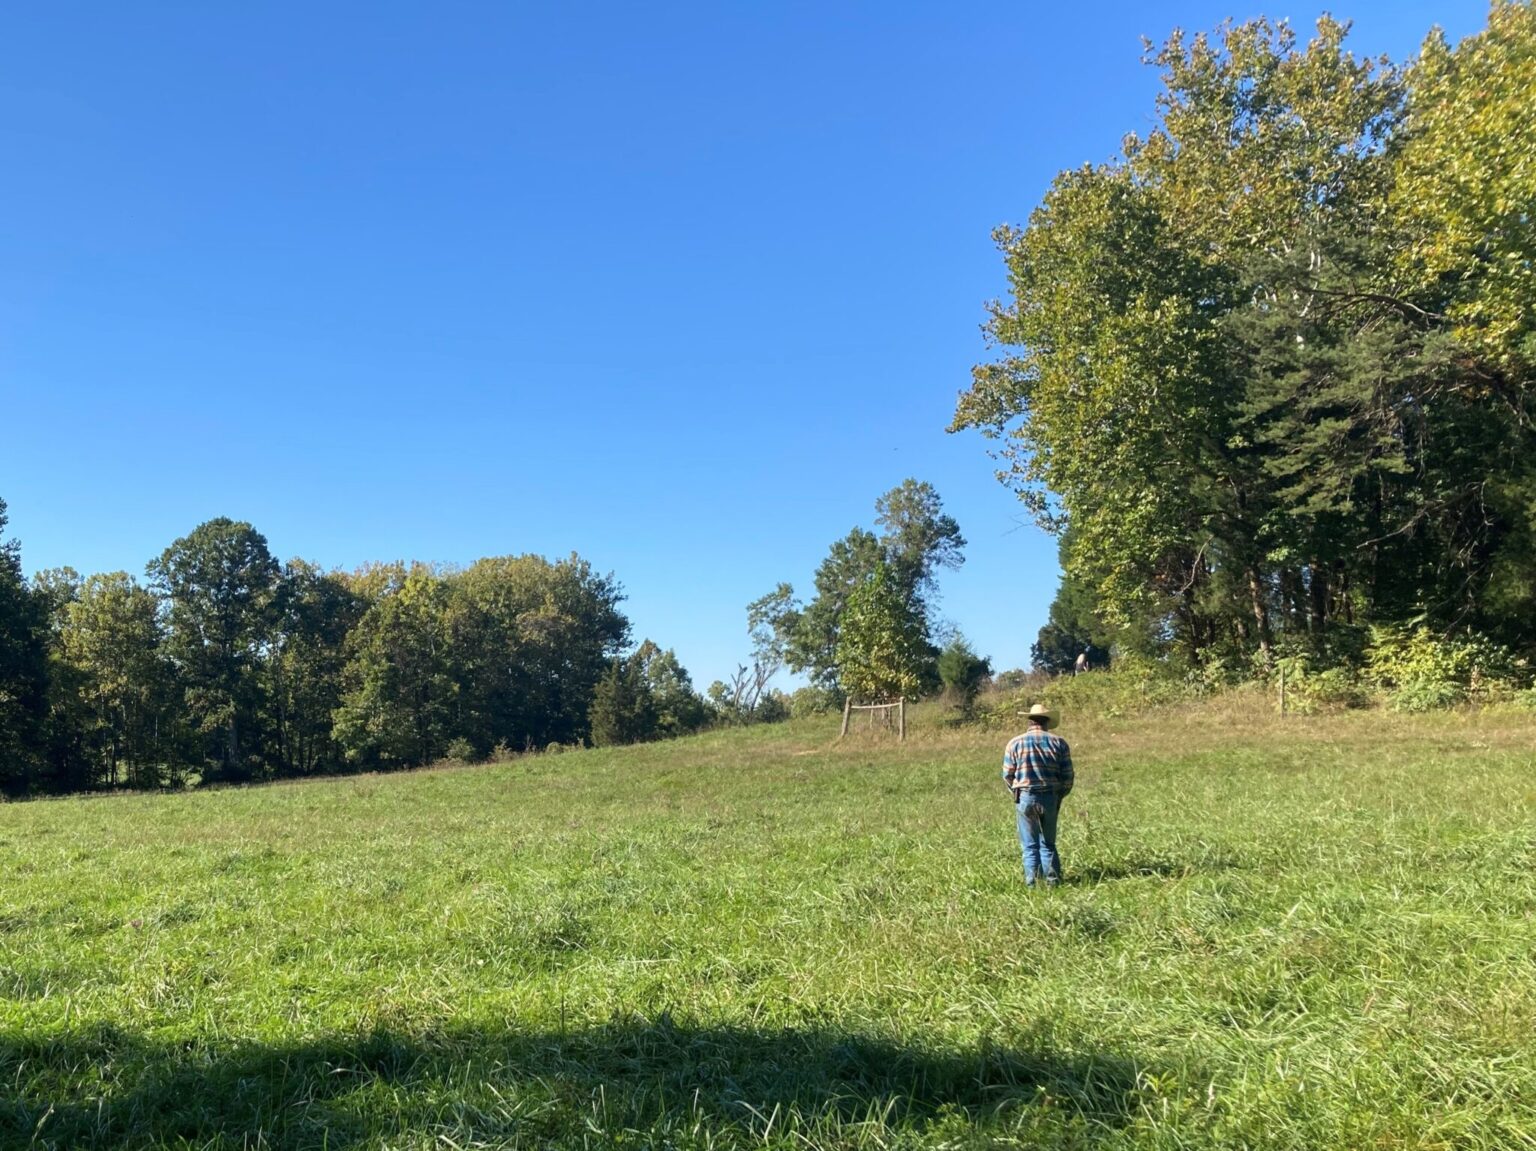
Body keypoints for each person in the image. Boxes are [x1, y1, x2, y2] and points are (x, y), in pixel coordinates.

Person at [1002, 703, 1074, 886]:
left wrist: (1017, 793)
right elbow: (1067, 776)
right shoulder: (1059, 742)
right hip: (1050, 796)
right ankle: (1053, 882)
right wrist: (1059, 796)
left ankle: (1032, 884)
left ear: (1029, 721)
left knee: (1029, 845)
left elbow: (1007, 775)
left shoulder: (1015, 743)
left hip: (1025, 796)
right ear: (1047, 722)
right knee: (1048, 843)